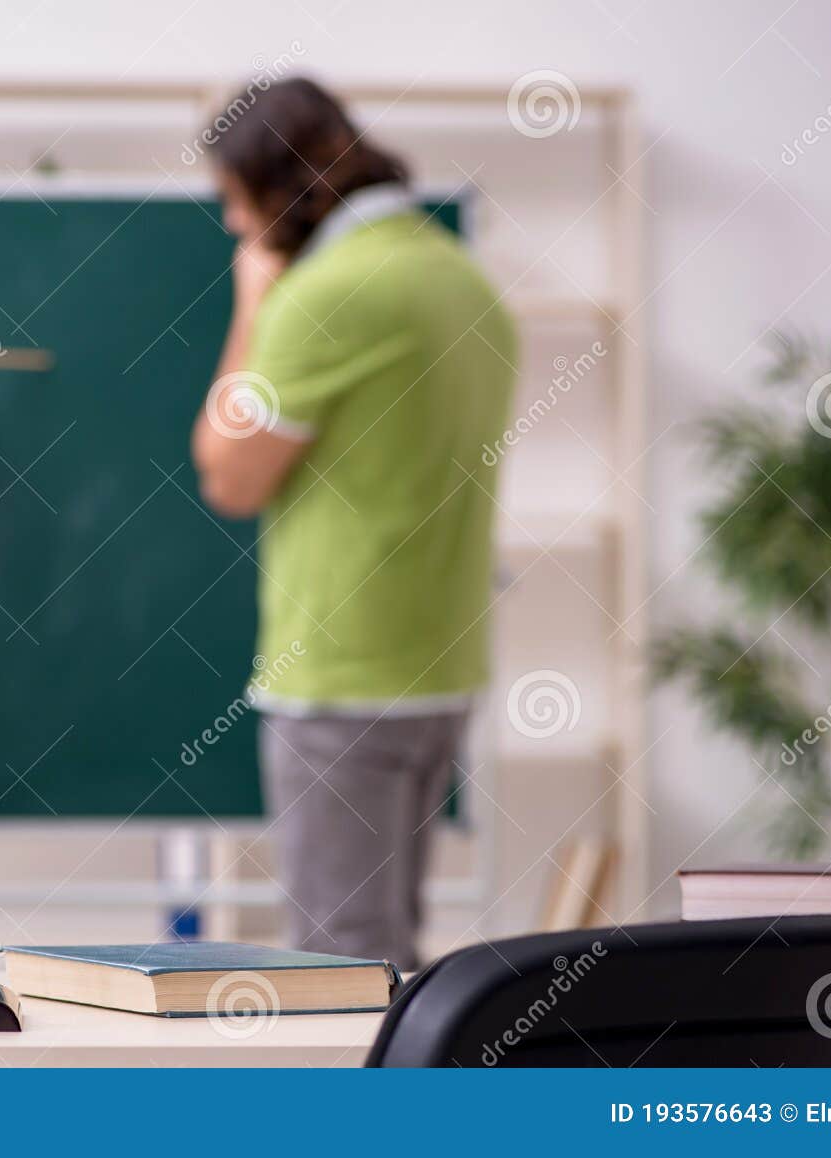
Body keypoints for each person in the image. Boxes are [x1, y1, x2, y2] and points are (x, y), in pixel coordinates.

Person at [190, 79, 517, 970]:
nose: (230, 225)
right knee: (392, 956)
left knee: (337, 971)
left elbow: (229, 472)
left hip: (340, 683)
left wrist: (255, 301)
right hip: (441, 669)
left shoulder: (326, 297)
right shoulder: (462, 279)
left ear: (274, 189)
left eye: (233, 198)